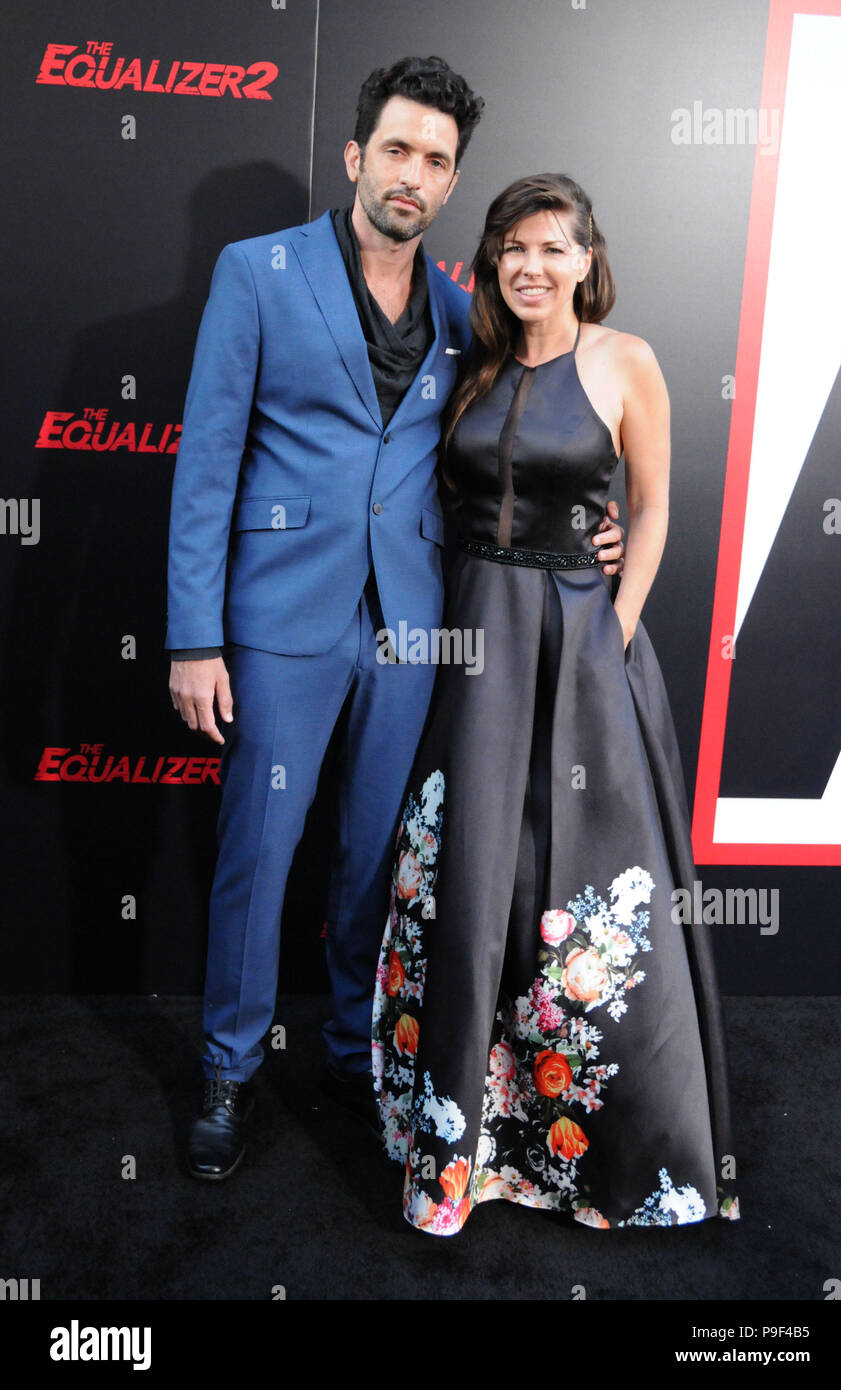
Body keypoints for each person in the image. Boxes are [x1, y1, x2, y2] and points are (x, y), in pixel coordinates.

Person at [165, 58, 628, 1180]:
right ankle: (227, 1069)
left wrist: (593, 521)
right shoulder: (257, 272)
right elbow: (207, 461)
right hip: (279, 621)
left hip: (415, 627)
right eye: (396, 150)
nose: (411, 174)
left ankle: (349, 1049)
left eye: (434, 160)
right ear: (354, 156)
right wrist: (191, 636)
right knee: (258, 855)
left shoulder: (469, 309)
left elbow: (542, 417)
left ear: (450, 178)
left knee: (377, 857)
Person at [372, 173, 741, 1233]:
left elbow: (656, 507)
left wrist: (613, 626)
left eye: (552, 247)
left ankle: (598, 1159)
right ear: (489, 262)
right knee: (473, 873)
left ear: (586, 258)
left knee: (582, 887)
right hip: (473, 639)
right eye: (510, 248)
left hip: (582, 645)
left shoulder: (626, 363)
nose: (530, 265)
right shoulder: (472, 363)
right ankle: (465, 1152)